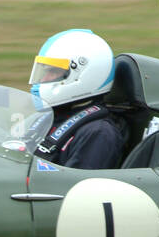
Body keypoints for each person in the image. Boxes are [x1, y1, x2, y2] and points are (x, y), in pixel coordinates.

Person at [29, 29, 129, 170]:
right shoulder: (48, 118)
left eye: (53, 71)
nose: (43, 80)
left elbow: (75, 188)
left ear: (82, 75)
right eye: (44, 71)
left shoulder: (98, 134)